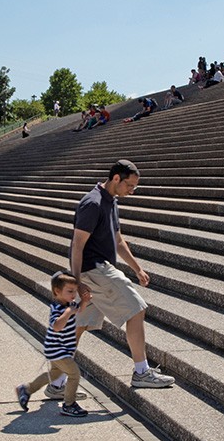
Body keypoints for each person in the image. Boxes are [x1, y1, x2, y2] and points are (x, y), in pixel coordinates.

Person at [62, 159, 174, 392]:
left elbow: (118, 240)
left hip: (98, 270)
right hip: (94, 270)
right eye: (129, 186)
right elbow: (77, 246)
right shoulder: (92, 203)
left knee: (79, 324)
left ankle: (57, 383)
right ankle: (142, 372)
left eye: (134, 187)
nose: (131, 191)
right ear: (116, 179)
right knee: (136, 308)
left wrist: (137, 268)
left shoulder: (111, 200)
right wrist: (77, 284)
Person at [15, 272, 90, 417]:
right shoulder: (57, 308)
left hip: (61, 349)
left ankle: (27, 389)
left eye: (75, 291)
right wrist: (68, 312)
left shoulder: (70, 304)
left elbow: (78, 310)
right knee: (74, 374)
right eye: (70, 291)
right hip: (58, 349)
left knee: (54, 373)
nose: (74, 294)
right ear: (57, 291)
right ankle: (69, 404)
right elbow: (56, 326)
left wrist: (85, 302)